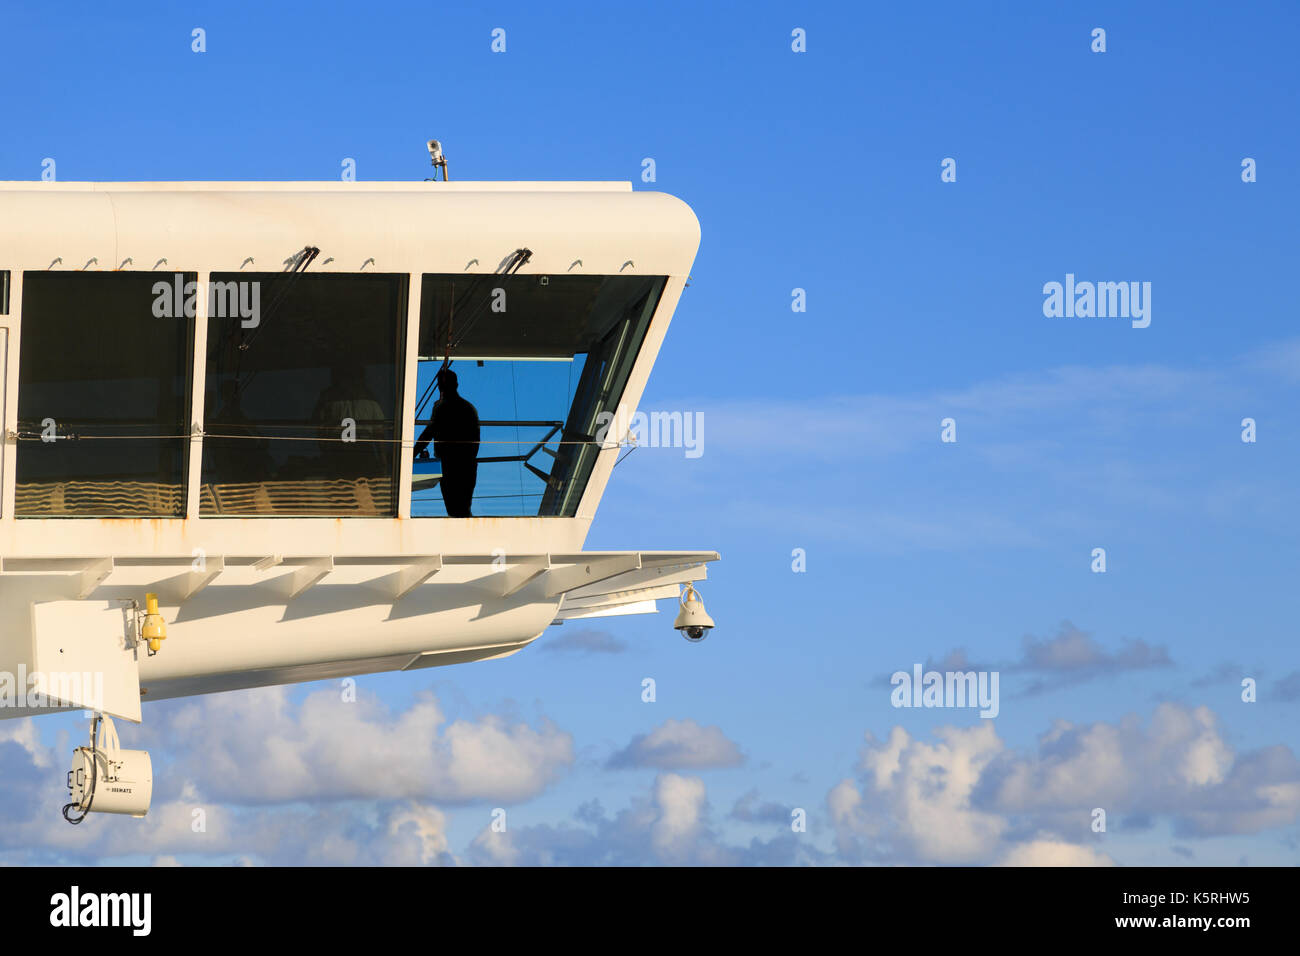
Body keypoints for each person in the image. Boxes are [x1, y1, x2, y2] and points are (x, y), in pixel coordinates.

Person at [414, 367, 479, 517]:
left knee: (455, 509)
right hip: (466, 465)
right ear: (456, 384)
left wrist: (411, 454)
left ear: (440, 387)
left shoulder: (442, 407)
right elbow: (475, 441)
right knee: (462, 508)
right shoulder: (468, 408)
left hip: (450, 466)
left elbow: (428, 434)